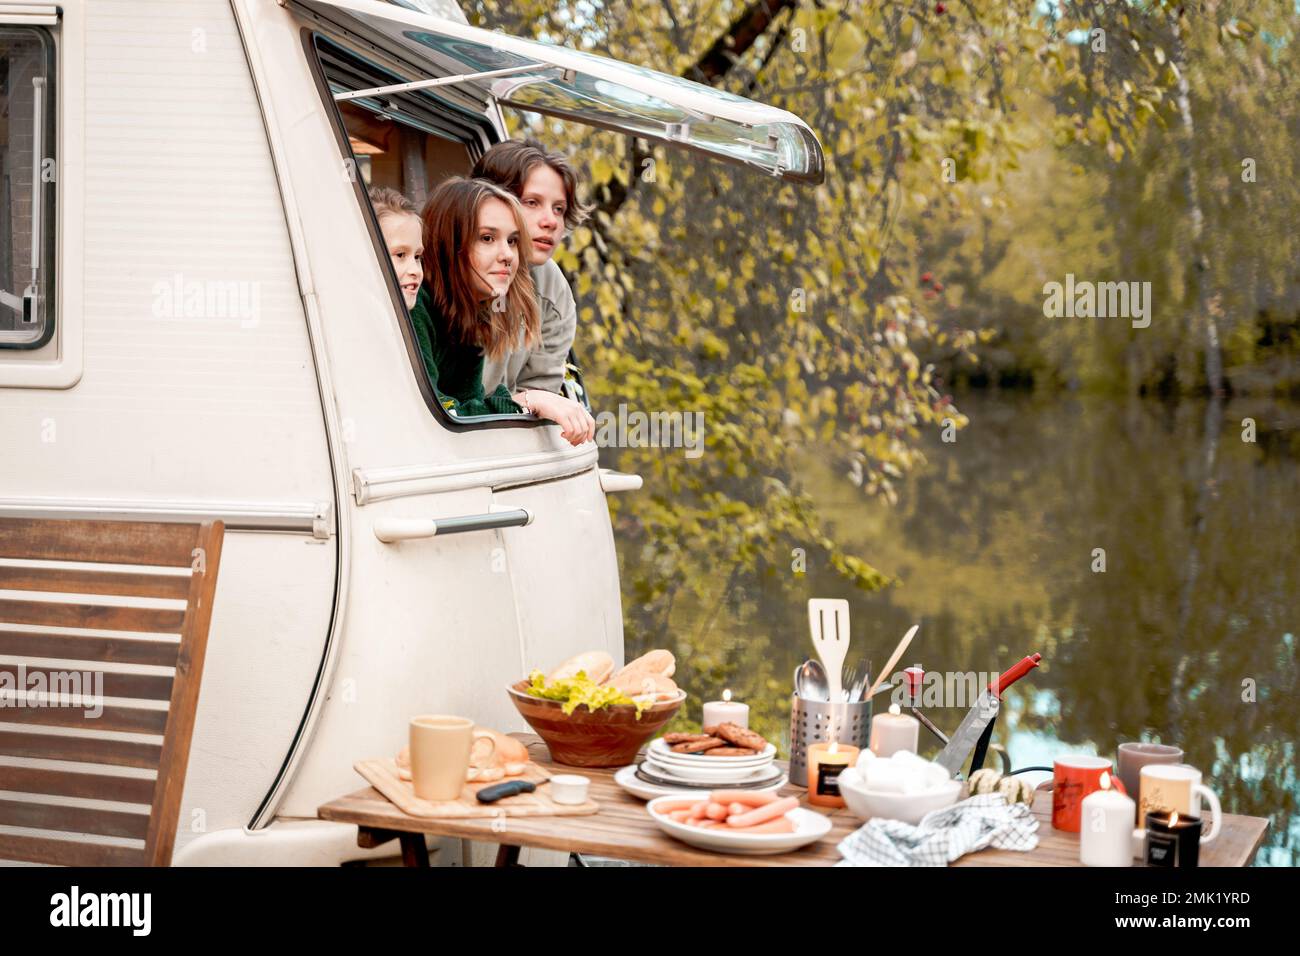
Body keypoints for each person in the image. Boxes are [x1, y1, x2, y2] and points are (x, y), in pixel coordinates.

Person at [413, 177, 595, 443]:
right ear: (448, 244)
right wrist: (526, 400)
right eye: (487, 238)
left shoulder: (469, 314)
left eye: (512, 241)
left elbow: (469, 408)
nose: (508, 255)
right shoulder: (416, 306)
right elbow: (440, 418)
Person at [471, 140, 592, 400]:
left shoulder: (553, 290)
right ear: (490, 202)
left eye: (559, 209)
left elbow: (538, 394)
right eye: (532, 202)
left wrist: (529, 401)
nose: (550, 221)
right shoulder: (434, 270)